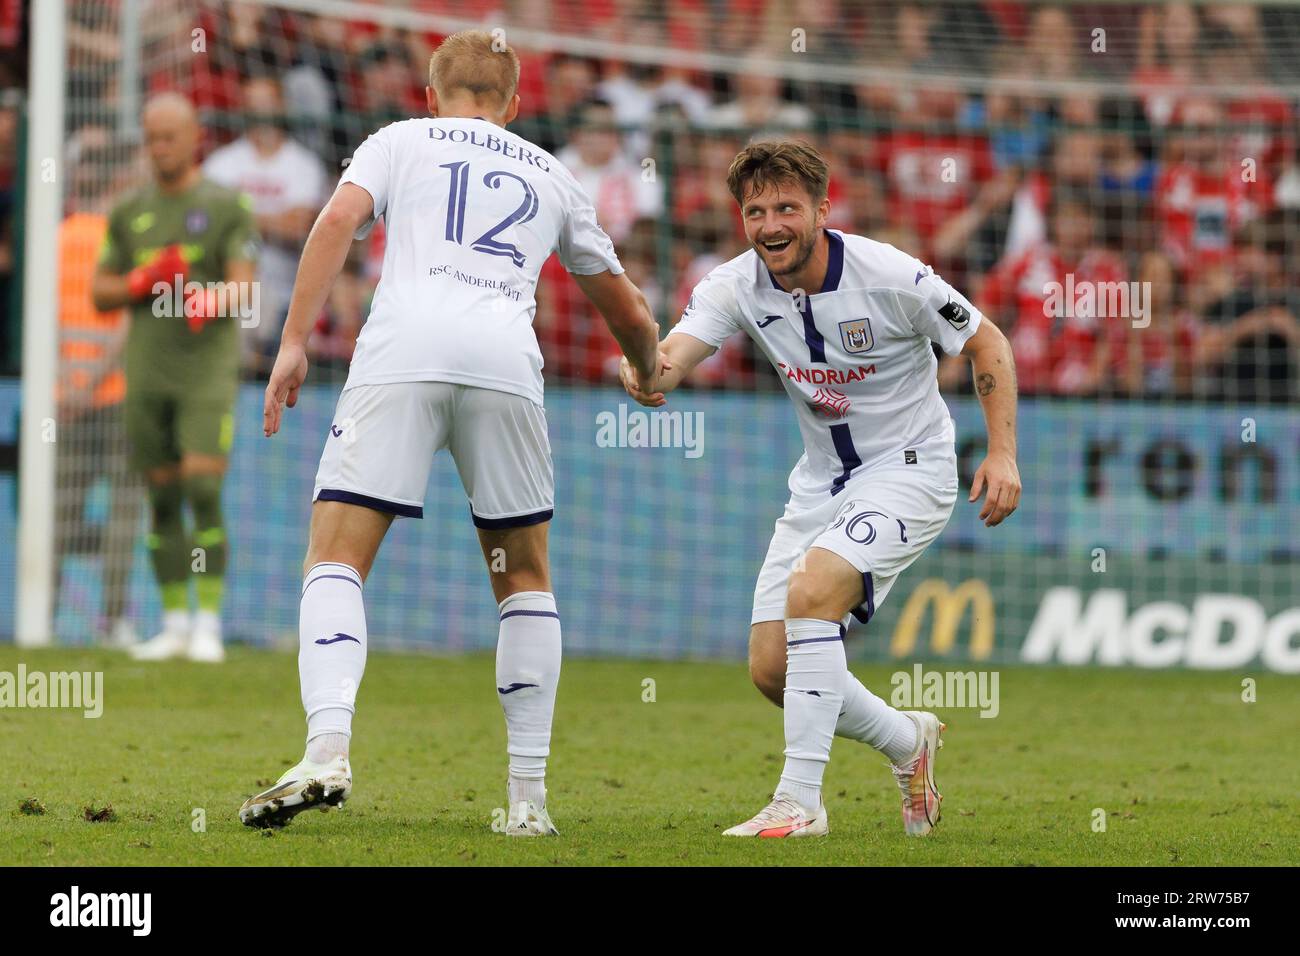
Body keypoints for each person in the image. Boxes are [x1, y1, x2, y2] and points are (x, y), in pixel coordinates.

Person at [241, 31, 660, 835]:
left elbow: (335, 222)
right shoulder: (553, 172)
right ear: (514, 105)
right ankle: (528, 802)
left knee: (335, 556)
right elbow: (628, 309)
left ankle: (328, 747)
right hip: (504, 363)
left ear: (430, 97)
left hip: (404, 353)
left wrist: (293, 340)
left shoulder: (398, 140)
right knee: (524, 577)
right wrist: (644, 365)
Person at [620, 141, 1020, 838]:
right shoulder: (735, 284)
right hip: (817, 487)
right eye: (755, 211)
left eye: (786, 208)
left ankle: (799, 802)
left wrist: (1004, 454)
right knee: (774, 669)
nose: (770, 224)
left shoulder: (889, 274)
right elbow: (674, 357)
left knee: (813, 594)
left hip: (909, 471)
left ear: (821, 210)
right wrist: (646, 373)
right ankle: (907, 741)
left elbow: (988, 344)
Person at [92, 93, 259, 663]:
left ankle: (209, 621)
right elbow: (100, 293)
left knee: (202, 488)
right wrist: (143, 279)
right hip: (146, 370)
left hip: (204, 370)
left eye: (169, 137)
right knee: (161, 495)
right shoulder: (128, 209)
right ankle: (173, 622)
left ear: (194, 139)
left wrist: (203, 300)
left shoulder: (225, 204)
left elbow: (245, 284)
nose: (159, 147)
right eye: (151, 137)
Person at [203, 74, 329, 373]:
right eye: (253, 104)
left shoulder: (303, 164)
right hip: (227, 284)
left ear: (282, 105)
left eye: (267, 103)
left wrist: (239, 216)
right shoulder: (221, 162)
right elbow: (209, 227)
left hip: (286, 291)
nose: (260, 112)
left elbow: (298, 228)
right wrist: (275, 219)